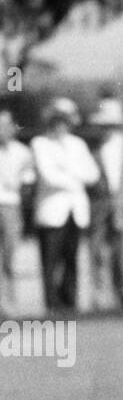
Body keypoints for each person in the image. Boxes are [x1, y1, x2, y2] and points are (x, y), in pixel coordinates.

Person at [31, 98, 100, 313]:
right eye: (57, 121)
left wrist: (67, 170)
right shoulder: (40, 143)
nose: (61, 125)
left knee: (71, 259)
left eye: (64, 121)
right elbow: (48, 176)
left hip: (75, 212)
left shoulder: (77, 144)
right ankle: (52, 305)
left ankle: (70, 303)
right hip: (52, 213)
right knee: (50, 262)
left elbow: (92, 174)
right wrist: (75, 177)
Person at [84, 97, 123, 309]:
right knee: (97, 253)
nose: (106, 129)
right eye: (104, 125)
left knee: (121, 255)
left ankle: (121, 293)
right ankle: (100, 297)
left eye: (110, 125)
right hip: (100, 207)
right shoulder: (93, 148)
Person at [0, 107, 36, 317]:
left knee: (9, 258)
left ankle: (9, 305)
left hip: (11, 207)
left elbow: (28, 181)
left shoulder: (22, 152)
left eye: (5, 125)